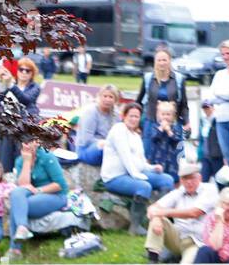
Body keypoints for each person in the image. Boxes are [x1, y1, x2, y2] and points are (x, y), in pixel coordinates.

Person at [103, 102, 175, 235]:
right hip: (115, 177)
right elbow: (125, 156)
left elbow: (141, 162)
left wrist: (153, 168)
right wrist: (137, 175)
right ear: (124, 116)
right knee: (144, 186)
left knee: (167, 180)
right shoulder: (118, 129)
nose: (134, 119)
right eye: (131, 116)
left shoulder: (136, 136)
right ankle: (135, 227)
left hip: (133, 173)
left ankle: (159, 220)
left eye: (137, 117)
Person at [145, 162, 217, 265]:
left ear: (200, 178)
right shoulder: (178, 192)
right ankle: (152, 263)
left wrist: (161, 213)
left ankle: (177, 263)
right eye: (185, 179)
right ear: (181, 180)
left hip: (198, 243)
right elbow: (153, 208)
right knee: (158, 220)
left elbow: (194, 213)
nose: (189, 182)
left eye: (192, 178)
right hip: (178, 238)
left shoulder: (209, 189)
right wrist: (156, 219)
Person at [8, 137, 69, 245]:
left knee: (17, 207)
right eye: (24, 142)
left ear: (37, 142)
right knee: (16, 193)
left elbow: (60, 184)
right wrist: (27, 161)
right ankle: (22, 228)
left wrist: (37, 190)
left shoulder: (47, 156)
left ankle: (15, 249)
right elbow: (23, 186)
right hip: (32, 194)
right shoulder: (20, 160)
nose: (26, 145)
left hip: (55, 195)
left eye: (29, 142)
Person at [0, 57, 41, 172]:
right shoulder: (9, 83)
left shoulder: (35, 87)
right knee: (4, 162)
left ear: (32, 74)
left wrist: (11, 85)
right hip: (7, 129)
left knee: (21, 163)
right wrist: (1, 79)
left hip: (24, 131)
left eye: (27, 70)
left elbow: (25, 100)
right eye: (21, 69)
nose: (23, 72)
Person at [186, 188, 229, 265]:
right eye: (228, 204)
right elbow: (214, 246)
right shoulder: (212, 218)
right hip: (216, 257)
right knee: (204, 250)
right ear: (221, 205)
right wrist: (220, 222)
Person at [136, 47, 188, 143]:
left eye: (164, 60)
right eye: (159, 60)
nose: (162, 63)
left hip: (172, 125)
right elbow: (138, 103)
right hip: (151, 124)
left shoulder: (179, 79)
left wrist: (186, 122)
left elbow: (184, 105)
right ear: (155, 61)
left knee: (173, 155)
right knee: (149, 154)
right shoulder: (148, 78)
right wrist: (137, 123)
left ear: (169, 61)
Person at [73, 85, 120, 167]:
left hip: (109, 147)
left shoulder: (116, 114)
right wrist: (105, 143)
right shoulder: (91, 112)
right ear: (99, 97)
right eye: (105, 96)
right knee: (104, 148)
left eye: (111, 97)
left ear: (115, 100)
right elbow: (86, 140)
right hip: (87, 149)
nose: (107, 99)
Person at [211, 41, 229, 174]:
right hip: (221, 121)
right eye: (223, 54)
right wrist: (225, 95)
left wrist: (220, 94)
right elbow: (211, 96)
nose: (225, 57)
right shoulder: (219, 74)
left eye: (228, 53)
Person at [147, 100, 183, 182]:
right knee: (158, 176)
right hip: (157, 158)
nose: (165, 117)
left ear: (173, 116)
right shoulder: (155, 126)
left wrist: (169, 131)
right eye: (163, 114)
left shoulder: (175, 128)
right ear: (158, 115)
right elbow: (154, 137)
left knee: (172, 178)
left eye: (168, 114)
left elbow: (177, 140)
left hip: (171, 159)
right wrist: (161, 128)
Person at [197, 97, 224, 183]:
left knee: (220, 180)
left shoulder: (218, 120)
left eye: (208, 107)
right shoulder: (203, 121)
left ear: (212, 107)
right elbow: (201, 139)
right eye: (204, 108)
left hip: (217, 155)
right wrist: (199, 154)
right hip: (205, 156)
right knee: (203, 180)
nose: (206, 110)